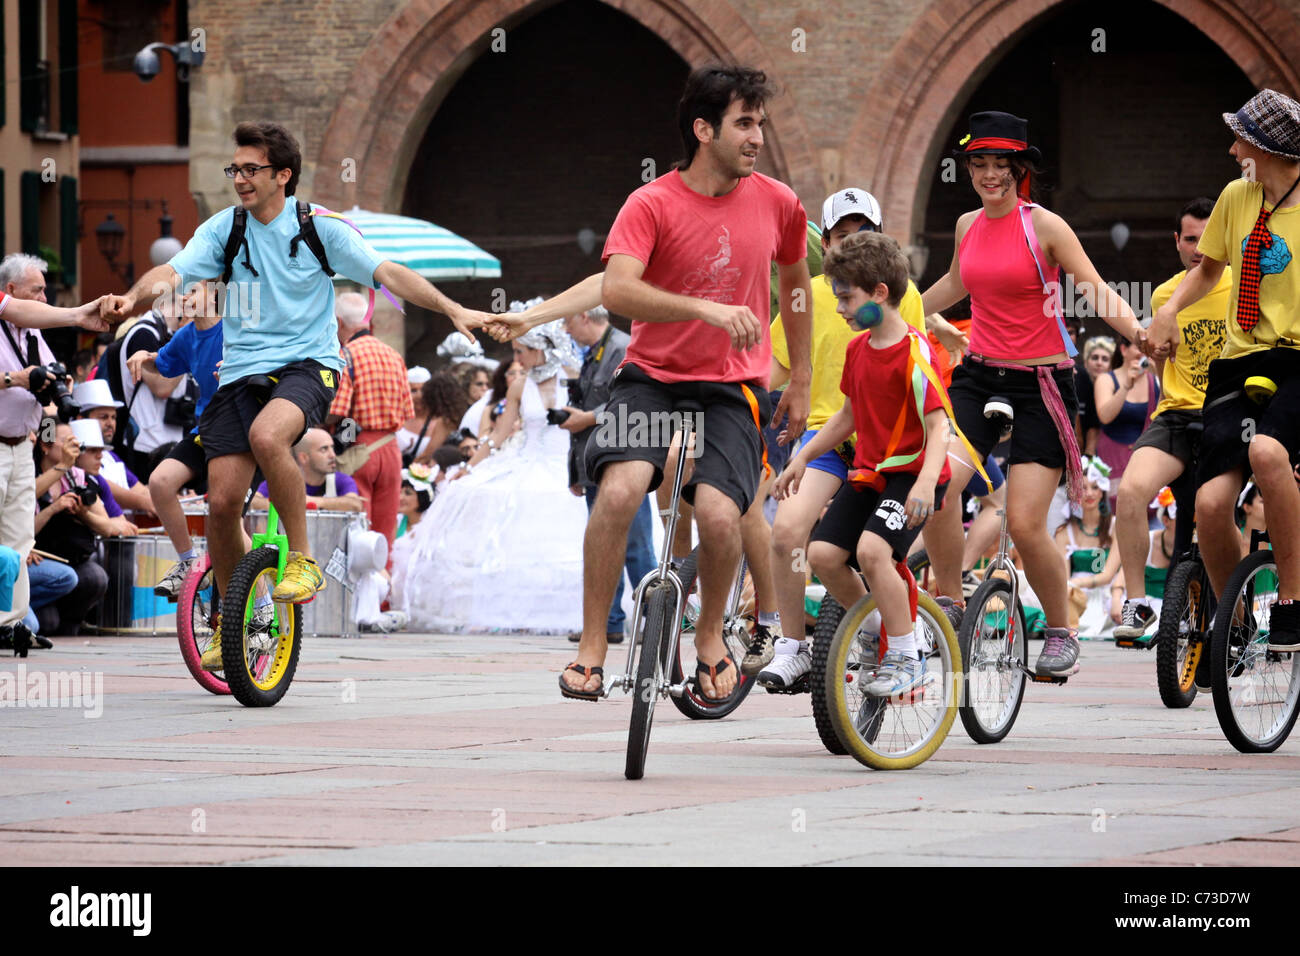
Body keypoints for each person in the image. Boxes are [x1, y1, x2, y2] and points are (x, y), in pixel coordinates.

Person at [99, 121, 484, 672]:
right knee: (223, 502)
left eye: (251, 169)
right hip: (241, 373)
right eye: (235, 169)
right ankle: (237, 620)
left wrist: (452, 308)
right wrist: (134, 297)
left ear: (284, 175)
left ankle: (302, 561)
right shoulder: (224, 229)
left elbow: (388, 273)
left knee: (267, 436)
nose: (240, 179)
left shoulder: (319, 228)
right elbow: (172, 272)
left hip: (309, 366)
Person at [555, 65, 812, 701]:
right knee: (618, 493)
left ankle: (707, 639)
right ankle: (593, 645)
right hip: (651, 380)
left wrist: (801, 375)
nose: (757, 137)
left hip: (731, 391)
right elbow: (617, 288)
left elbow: (797, 284)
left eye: (760, 123)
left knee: (723, 517)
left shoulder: (779, 202)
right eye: (744, 124)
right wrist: (704, 308)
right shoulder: (652, 202)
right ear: (704, 129)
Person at [919, 110, 1146, 678]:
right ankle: (949, 599)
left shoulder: (1044, 225)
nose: (990, 175)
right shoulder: (968, 225)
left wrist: (1140, 335)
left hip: (1041, 383)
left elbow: (1096, 290)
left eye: (1001, 165)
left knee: (1022, 522)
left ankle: (1060, 628)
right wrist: (902, 312)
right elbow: (954, 284)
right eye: (980, 164)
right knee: (939, 487)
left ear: (1019, 170)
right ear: (968, 167)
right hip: (978, 375)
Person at [762, 187, 950, 688]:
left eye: (860, 235)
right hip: (845, 447)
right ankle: (842, 636)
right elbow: (840, 409)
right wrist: (801, 456)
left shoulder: (906, 331)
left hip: (900, 461)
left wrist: (928, 482)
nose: (843, 305)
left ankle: (908, 651)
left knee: (871, 552)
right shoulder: (836, 319)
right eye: (840, 236)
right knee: (804, 544)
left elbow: (934, 416)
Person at [1148, 89, 1300, 649]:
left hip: (1299, 357)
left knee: (1268, 453)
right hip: (1241, 359)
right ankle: (1234, 631)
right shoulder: (1238, 196)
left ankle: (1292, 600)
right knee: (1210, 505)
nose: (1233, 148)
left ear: (1268, 148)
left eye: (1242, 139)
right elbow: (1208, 271)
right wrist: (1167, 311)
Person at [401, 317, 588, 633]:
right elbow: (498, 435)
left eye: (521, 351)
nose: (517, 359)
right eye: (514, 352)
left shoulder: (573, 379)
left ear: (540, 349)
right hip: (525, 461)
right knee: (481, 493)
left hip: (563, 463)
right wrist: (469, 467)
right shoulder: (519, 385)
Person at [1112, 198, 1228, 640]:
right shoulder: (1164, 296)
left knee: (1217, 512)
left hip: (1229, 416)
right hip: (1176, 416)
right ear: (1177, 241)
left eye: (1207, 238)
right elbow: (1162, 369)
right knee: (1130, 491)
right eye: (1191, 239)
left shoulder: (1241, 282)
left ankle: (1239, 610)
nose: (1199, 249)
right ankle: (1138, 604)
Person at [0, 254, 108, 653]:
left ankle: (9, 624)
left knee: (19, 537)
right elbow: (21, 382)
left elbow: (50, 400)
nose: (45, 298)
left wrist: (44, 436)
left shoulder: (32, 337)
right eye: (38, 291)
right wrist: (14, 379)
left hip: (19, 448)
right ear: (11, 293)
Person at [557, 304, 655, 646]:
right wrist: (577, 471)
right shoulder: (596, 352)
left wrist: (586, 418)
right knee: (603, 542)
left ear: (585, 316)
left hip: (627, 460)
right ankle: (608, 622)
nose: (566, 330)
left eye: (568, 321)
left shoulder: (624, 348)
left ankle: (653, 620)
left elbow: (631, 402)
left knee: (637, 546)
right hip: (597, 463)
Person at [127, 281, 224, 598]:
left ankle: (261, 602)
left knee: (228, 526)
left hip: (239, 433)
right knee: (159, 482)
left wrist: (242, 369)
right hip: (205, 431)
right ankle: (187, 562)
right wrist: (145, 356)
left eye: (193, 291)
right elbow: (164, 361)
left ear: (215, 294)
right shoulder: (186, 335)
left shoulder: (237, 331)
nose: (184, 297)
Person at [324, 291, 411, 548]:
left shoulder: (345, 355)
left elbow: (337, 411)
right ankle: (384, 583)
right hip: (391, 449)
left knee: (357, 528)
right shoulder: (394, 355)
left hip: (358, 450)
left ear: (339, 323)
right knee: (386, 532)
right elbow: (408, 411)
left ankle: (358, 589)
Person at [32, 422, 131, 636]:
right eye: (66, 441)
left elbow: (106, 527)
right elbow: (24, 528)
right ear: (45, 446)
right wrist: (54, 508)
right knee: (46, 624)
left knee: (95, 578)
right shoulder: (30, 476)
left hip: (71, 557)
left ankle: (71, 625)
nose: (73, 447)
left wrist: (83, 513)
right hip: (39, 558)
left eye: (75, 442)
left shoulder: (77, 477)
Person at [115, 296, 191, 482]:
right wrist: (186, 344)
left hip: (170, 438)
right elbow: (162, 387)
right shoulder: (144, 333)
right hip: (147, 445)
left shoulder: (168, 334)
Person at [1055, 458, 1121, 637]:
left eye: (1095, 487)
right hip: (1075, 593)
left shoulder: (1115, 527)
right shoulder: (1064, 532)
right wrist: (1071, 585)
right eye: (1083, 488)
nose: (1089, 493)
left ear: (1102, 492)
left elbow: (1107, 576)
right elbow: (1064, 575)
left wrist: (1076, 583)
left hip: (1107, 592)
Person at [72, 379, 154, 515]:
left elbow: (140, 490)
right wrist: (145, 503)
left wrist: (175, 498)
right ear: (81, 419)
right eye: (104, 417)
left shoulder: (111, 457)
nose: (110, 423)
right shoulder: (75, 456)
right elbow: (107, 489)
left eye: (113, 417)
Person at [1094, 336, 1160, 492]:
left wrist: (1160, 374)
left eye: (1148, 349)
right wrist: (1125, 386)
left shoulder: (1155, 380)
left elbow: (1163, 415)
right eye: (1139, 348)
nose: (1144, 353)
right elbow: (1105, 416)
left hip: (1145, 459)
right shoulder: (1106, 379)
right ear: (1123, 350)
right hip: (1113, 460)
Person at [251, 427, 366, 513]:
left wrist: (310, 501)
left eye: (332, 448)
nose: (333, 455)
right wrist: (292, 505)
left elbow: (355, 504)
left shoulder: (341, 479)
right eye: (324, 449)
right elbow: (253, 501)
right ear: (304, 458)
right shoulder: (284, 481)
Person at [1076, 335, 1113, 456]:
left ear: (1111, 365)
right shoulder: (1076, 383)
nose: (1099, 363)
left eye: (1105, 359)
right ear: (1086, 362)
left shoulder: (1118, 388)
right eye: (1095, 358)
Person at [398, 365, 434, 467]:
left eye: (423, 390)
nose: (419, 395)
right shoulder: (396, 419)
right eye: (413, 391)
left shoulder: (441, 420)